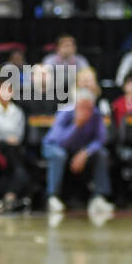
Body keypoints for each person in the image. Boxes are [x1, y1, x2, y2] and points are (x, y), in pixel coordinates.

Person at [41, 88, 114, 216]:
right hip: (53, 146)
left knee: (102, 154)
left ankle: (99, 197)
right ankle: (52, 197)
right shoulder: (65, 112)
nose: (86, 111)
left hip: (79, 150)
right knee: (59, 155)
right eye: (82, 107)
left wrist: (85, 152)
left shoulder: (96, 115)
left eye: (89, 108)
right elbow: (60, 142)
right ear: (76, 104)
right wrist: (77, 125)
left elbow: (101, 139)